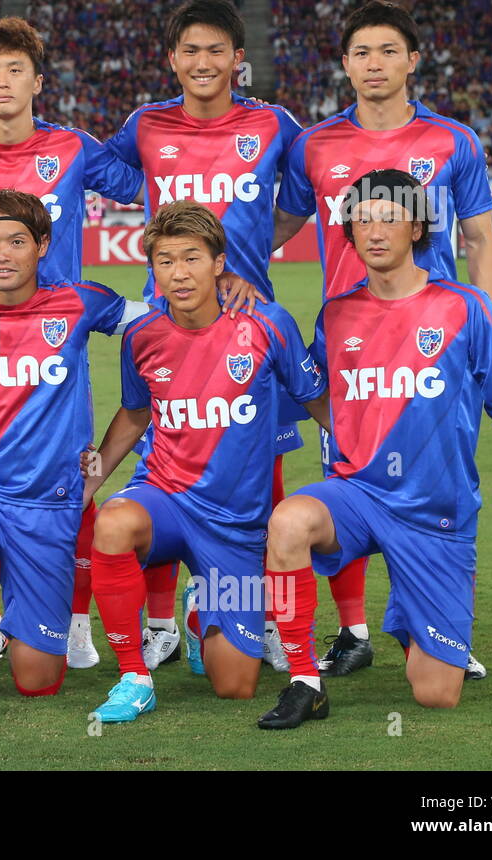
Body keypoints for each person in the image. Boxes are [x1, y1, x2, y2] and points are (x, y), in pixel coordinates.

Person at [257, 170, 492, 729]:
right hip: (358, 493)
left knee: (436, 695)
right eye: (363, 219)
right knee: (288, 522)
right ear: (348, 231)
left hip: (436, 511)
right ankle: (303, 681)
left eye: (390, 217)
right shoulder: (335, 314)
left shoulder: (466, 307)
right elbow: (311, 395)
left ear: (417, 226)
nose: (376, 230)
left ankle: (413, 620)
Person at [274, 0, 492, 678]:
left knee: (439, 486)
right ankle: (352, 630)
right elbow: (280, 228)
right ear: (345, 64)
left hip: (435, 348)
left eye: (388, 52)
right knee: (342, 476)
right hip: (349, 348)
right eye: (361, 54)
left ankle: (431, 625)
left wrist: (481, 328)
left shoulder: (453, 141)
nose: (375, 65)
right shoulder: (313, 145)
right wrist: (222, 269)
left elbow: (481, 240)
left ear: (413, 60)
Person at [0, 17, 145, 669]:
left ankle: (75, 623)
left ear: (38, 82)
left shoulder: (73, 148)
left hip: (58, 335)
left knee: (74, 474)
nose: (2, 81)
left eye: (15, 70)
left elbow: (149, 187)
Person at [106, 0, 309, 673]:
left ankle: (258, 616)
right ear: (171, 59)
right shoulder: (145, 125)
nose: (202, 62)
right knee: (163, 469)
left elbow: (302, 201)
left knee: (264, 481)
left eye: (215, 50)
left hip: (251, 334)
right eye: (189, 50)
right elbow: (91, 173)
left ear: (238, 60)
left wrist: (249, 261)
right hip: (169, 332)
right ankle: (163, 622)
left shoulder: (274, 125)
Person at [81, 201, 329, 722]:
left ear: (220, 263)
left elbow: (315, 398)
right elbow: (134, 412)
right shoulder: (143, 335)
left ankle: (202, 614)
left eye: (192, 258)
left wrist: (367, 459)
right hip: (165, 499)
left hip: (235, 526)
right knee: (113, 524)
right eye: (165, 261)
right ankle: (134, 676)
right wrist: (93, 479)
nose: (179, 272)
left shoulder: (267, 324)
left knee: (234, 685)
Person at [0, 189, 148, 725]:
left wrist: (102, 464)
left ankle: (29, 620)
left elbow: (159, 317)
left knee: (36, 682)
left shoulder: (81, 302)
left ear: (42, 245)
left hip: (49, 505)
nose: (2, 255)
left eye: (16, 242)